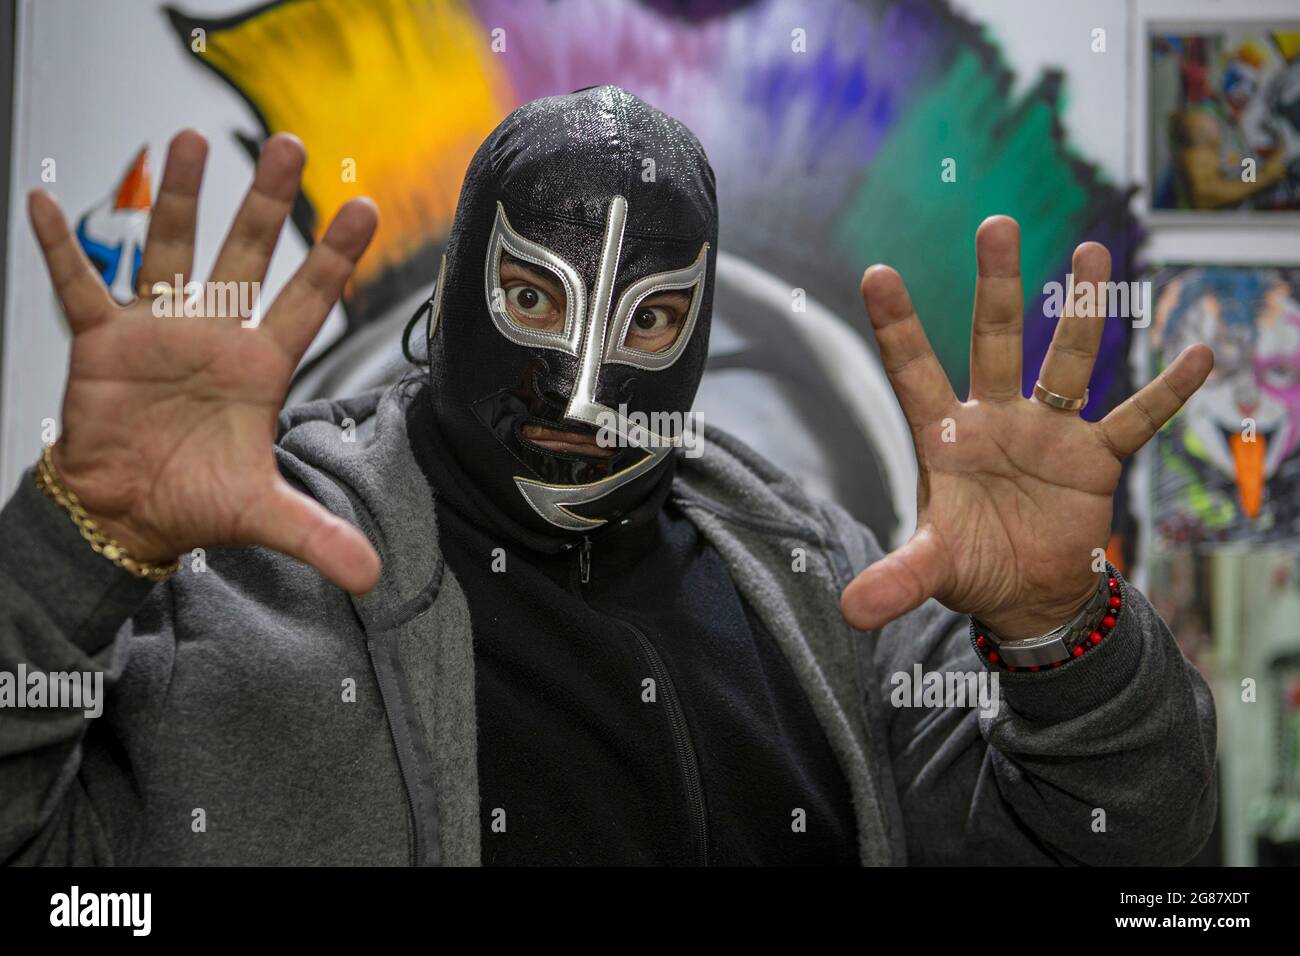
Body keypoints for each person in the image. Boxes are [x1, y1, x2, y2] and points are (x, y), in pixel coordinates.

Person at [1, 86, 1216, 865]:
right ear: (449, 298)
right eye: (531, 296)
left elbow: (1126, 848)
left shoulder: (828, 582)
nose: (581, 394)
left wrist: (1071, 628)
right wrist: (72, 543)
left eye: (645, 323)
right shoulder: (226, 581)